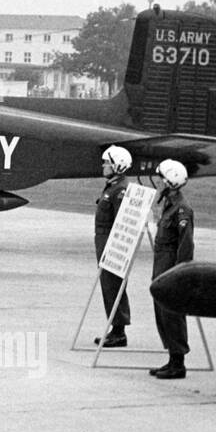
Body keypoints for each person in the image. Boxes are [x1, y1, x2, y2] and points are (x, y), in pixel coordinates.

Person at [149, 160, 193, 380]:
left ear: (169, 181)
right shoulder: (168, 205)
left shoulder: (182, 210)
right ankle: (171, 359)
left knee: (172, 314)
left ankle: (178, 363)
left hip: (171, 272)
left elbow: (185, 247)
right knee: (162, 314)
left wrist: (180, 276)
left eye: (160, 178)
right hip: (161, 270)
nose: (157, 182)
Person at [92, 145, 133, 347]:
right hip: (103, 240)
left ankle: (119, 331)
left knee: (112, 285)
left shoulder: (120, 190)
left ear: (118, 165)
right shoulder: (113, 185)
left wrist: (115, 248)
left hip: (111, 242)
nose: (103, 166)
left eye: (107, 163)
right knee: (108, 286)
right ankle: (116, 328)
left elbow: (121, 221)